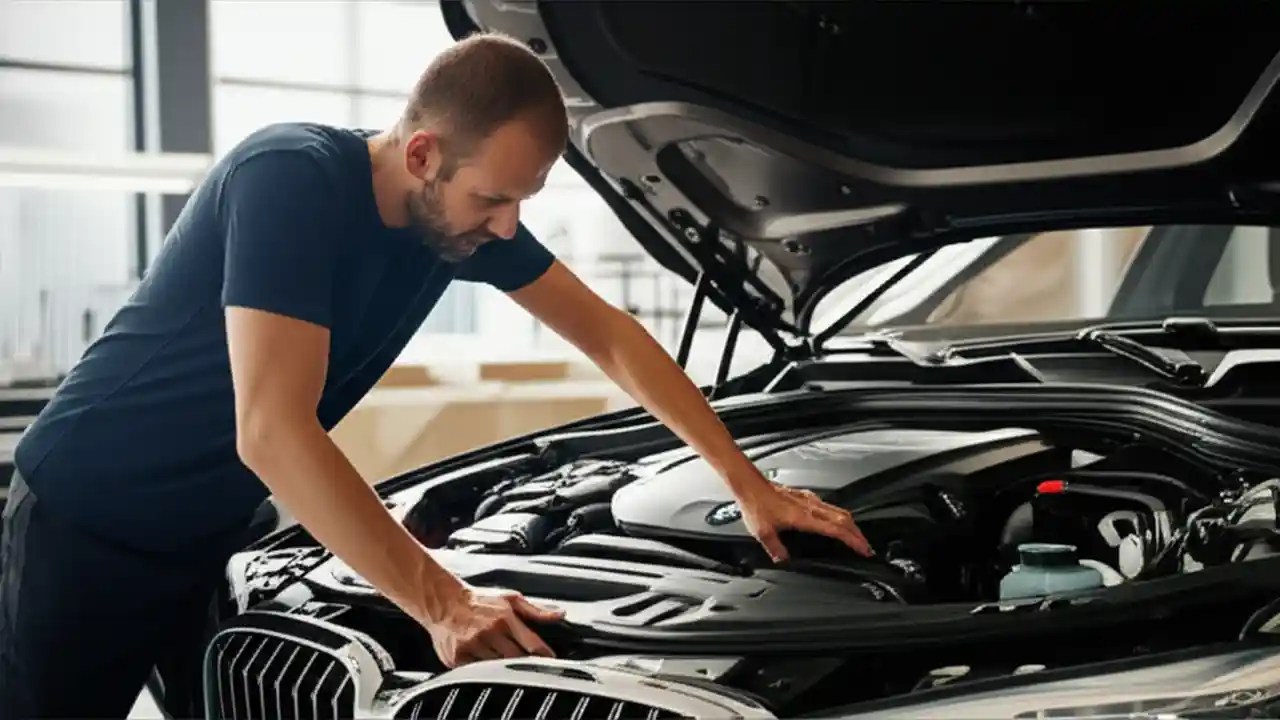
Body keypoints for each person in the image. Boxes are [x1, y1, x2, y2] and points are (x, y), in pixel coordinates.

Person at [0, 32, 870, 718]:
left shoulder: (451, 228)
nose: (505, 225)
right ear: (421, 155)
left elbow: (610, 337)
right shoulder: (289, 177)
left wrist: (746, 482)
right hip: (88, 520)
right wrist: (445, 602)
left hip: (212, 530)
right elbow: (271, 429)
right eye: (494, 198)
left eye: (522, 201)